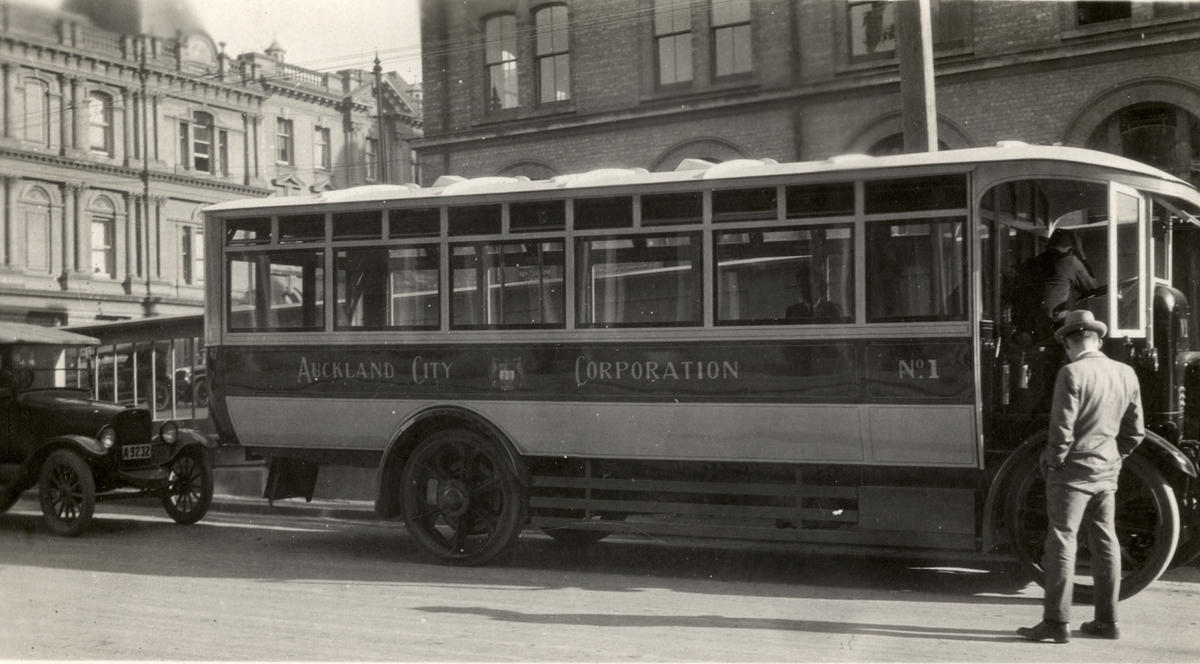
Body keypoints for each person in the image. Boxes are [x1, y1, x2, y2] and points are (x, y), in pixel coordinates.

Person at [1017, 310, 1144, 644]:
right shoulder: (1125, 373)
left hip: (1072, 473)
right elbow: (1136, 432)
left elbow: (1061, 429)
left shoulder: (1071, 373)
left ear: (1068, 344)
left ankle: (1056, 623)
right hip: (1106, 471)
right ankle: (1107, 621)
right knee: (1105, 540)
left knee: (1061, 540)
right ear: (1097, 340)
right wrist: (1116, 456)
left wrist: (1055, 463)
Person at [1012, 230, 1097, 343]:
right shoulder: (1070, 261)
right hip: (1056, 325)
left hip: (1031, 326)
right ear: (1071, 248)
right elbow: (1091, 288)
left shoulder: (1033, 262)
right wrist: (1082, 255)